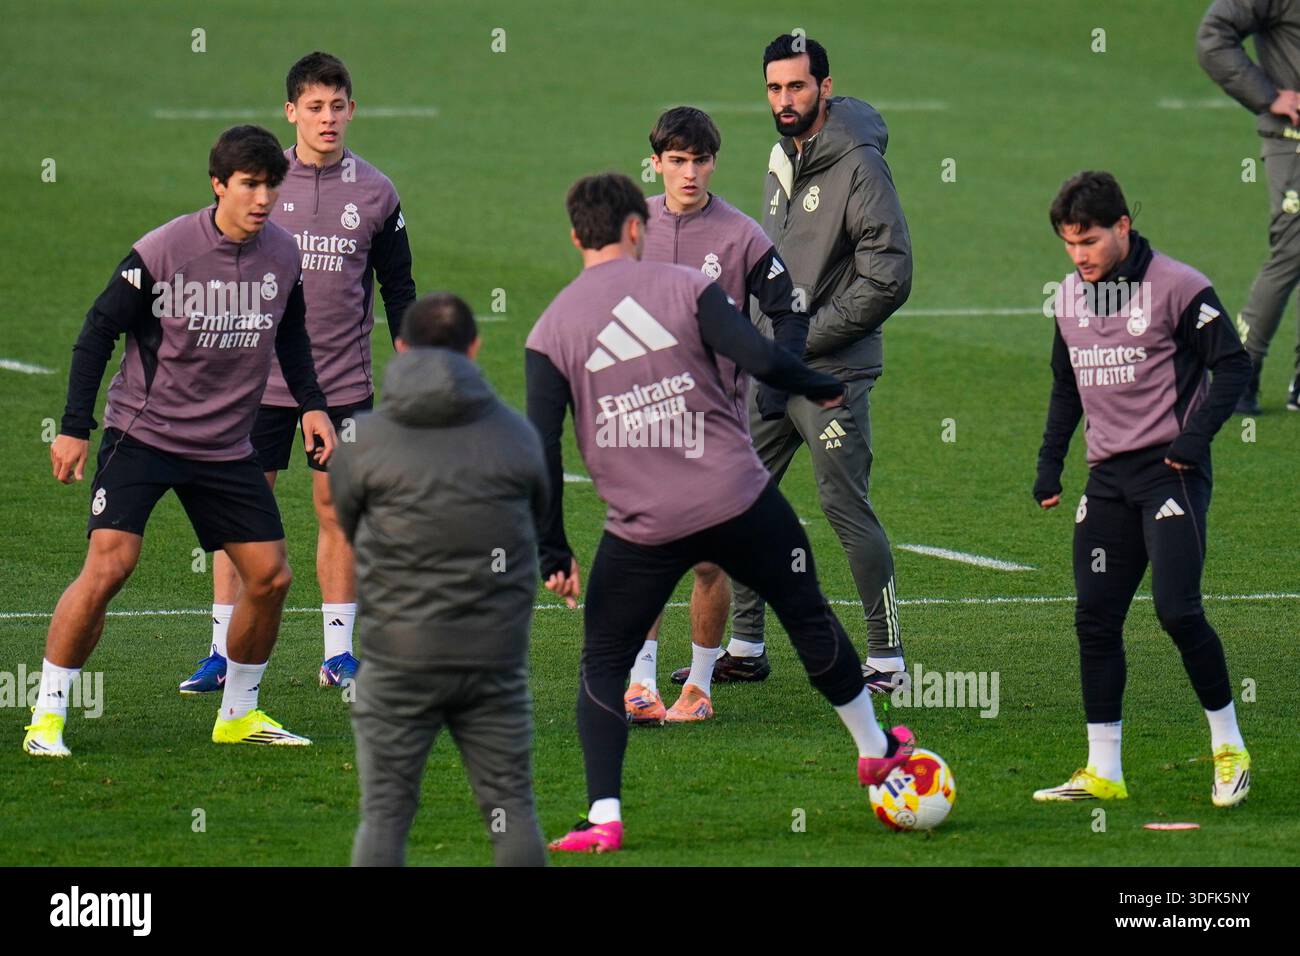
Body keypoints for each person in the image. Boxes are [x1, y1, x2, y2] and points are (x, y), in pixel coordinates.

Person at [526, 172, 915, 853]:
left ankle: (605, 818)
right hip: (736, 499)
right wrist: (818, 384)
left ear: (574, 237)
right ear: (635, 230)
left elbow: (540, 445)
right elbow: (761, 353)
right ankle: (875, 748)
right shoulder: (683, 287)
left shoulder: (550, 328)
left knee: (602, 664)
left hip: (641, 526)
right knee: (806, 612)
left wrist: (552, 548)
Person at [24, 125, 335, 757]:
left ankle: (239, 714)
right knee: (111, 564)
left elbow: (293, 334)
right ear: (219, 184)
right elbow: (96, 331)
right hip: (145, 434)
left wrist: (313, 406)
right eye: (249, 185)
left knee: (271, 578)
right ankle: (47, 716)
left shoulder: (284, 254)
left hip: (225, 446)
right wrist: (74, 427)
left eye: (272, 184)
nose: (263, 198)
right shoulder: (162, 251)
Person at [181, 51, 416, 696]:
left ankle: (339, 653)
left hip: (342, 386)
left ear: (352, 109)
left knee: (339, 513)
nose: (328, 118)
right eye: (314, 107)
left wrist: (412, 350)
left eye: (338, 106)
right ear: (291, 113)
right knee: (238, 517)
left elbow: (399, 287)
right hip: (251, 384)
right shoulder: (263, 185)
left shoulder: (376, 192)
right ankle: (221, 652)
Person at [1032, 171, 1252, 806]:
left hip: (1170, 473)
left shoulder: (1178, 287)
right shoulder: (1070, 297)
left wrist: (1194, 440)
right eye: (1069, 244)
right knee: (1095, 619)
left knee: (1177, 610)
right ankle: (1105, 771)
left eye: (1090, 241)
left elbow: (1231, 363)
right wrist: (1050, 464)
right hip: (1108, 479)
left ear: (1123, 226)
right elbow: (1065, 384)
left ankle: (1229, 747)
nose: (1079, 256)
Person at [332, 293, 548, 867]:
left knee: (385, 815)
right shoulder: (517, 435)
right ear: (474, 348)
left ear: (401, 347)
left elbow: (348, 523)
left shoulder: (362, 439)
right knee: (511, 810)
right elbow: (538, 514)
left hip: (398, 655)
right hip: (492, 658)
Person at [727, 34, 913, 695]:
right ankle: (746, 644)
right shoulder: (782, 158)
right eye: (775, 88)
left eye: (798, 87)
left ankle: (888, 658)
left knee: (844, 506)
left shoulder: (860, 165)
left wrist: (803, 342)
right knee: (738, 496)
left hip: (831, 373)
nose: (785, 100)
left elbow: (889, 275)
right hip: (773, 366)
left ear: (825, 88)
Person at [623, 105, 807, 724]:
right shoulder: (634, 228)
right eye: (677, 161)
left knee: (706, 560)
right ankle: (641, 684)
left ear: (713, 163)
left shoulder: (741, 235)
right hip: (642, 423)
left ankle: (698, 688)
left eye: (700, 160)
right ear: (656, 163)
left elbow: (790, 311)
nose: (690, 172)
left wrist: (779, 384)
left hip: (714, 428)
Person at [1198, 0, 1300, 413]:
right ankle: (1239, 368)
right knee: (1294, 249)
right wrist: (1267, 95)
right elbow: (1213, 36)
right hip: (1294, 141)